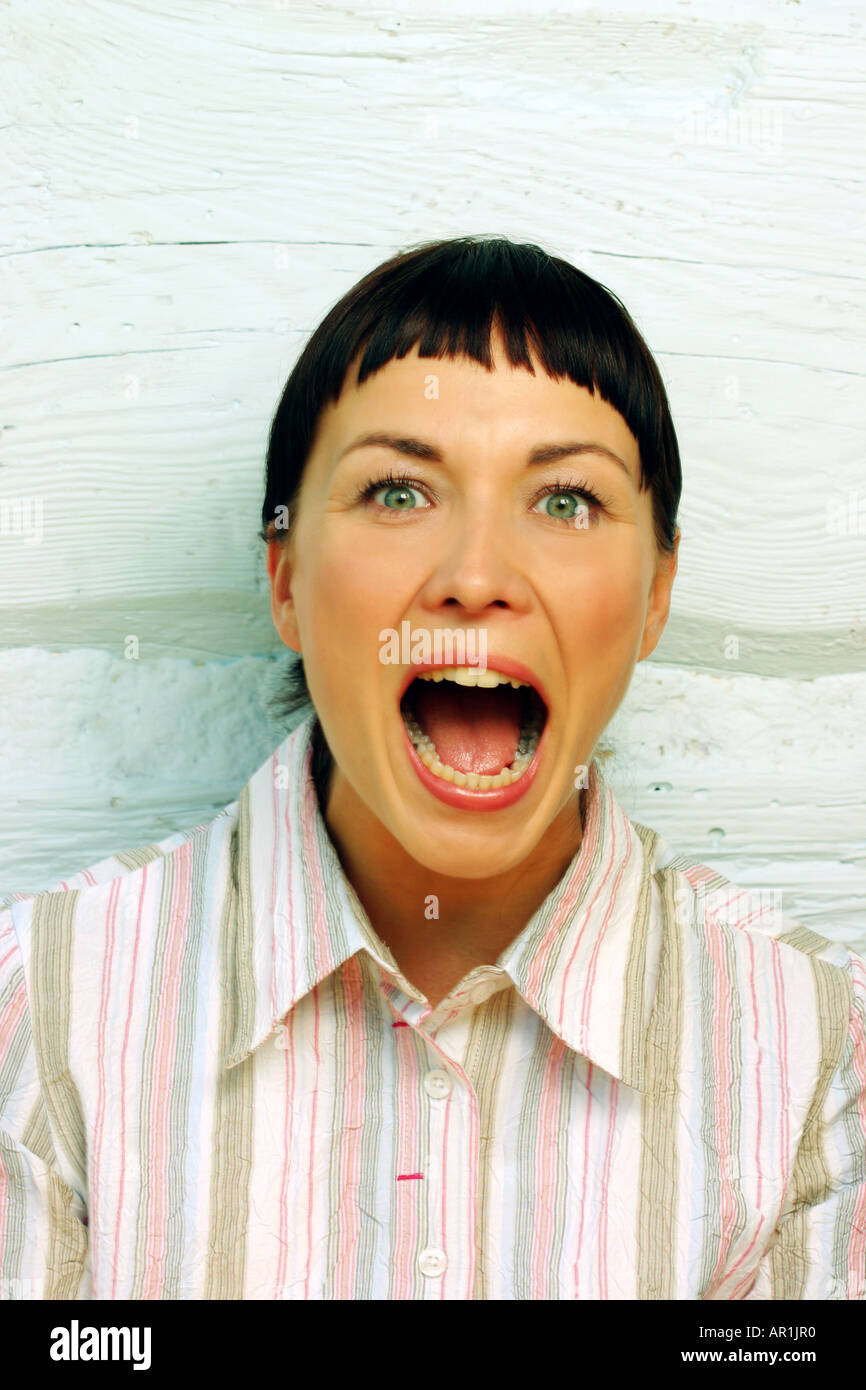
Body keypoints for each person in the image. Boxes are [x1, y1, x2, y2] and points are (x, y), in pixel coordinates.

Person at [1, 236, 863, 1300]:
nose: (475, 576)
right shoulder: (41, 1014)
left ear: (654, 594)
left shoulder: (817, 1047)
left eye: (564, 501)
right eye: (399, 492)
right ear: (284, 577)